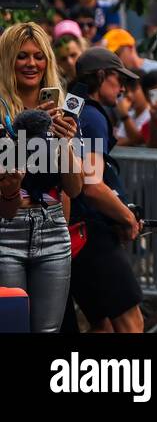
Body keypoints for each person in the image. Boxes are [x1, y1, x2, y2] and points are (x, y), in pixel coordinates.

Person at [0, 24, 82, 332]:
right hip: (6, 233)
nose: (31, 64)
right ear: (7, 60)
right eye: (21, 56)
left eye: (38, 56)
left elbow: (74, 188)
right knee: (11, 329)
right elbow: (6, 205)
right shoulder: (1, 112)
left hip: (53, 234)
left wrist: (64, 142)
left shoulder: (64, 112)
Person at [64, 47, 145, 332]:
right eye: (118, 78)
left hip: (74, 236)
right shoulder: (94, 115)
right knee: (131, 324)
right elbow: (92, 186)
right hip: (92, 234)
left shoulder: (71, 107)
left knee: (103, 326)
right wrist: (126, 216)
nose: (123, 87)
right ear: (100, 76)